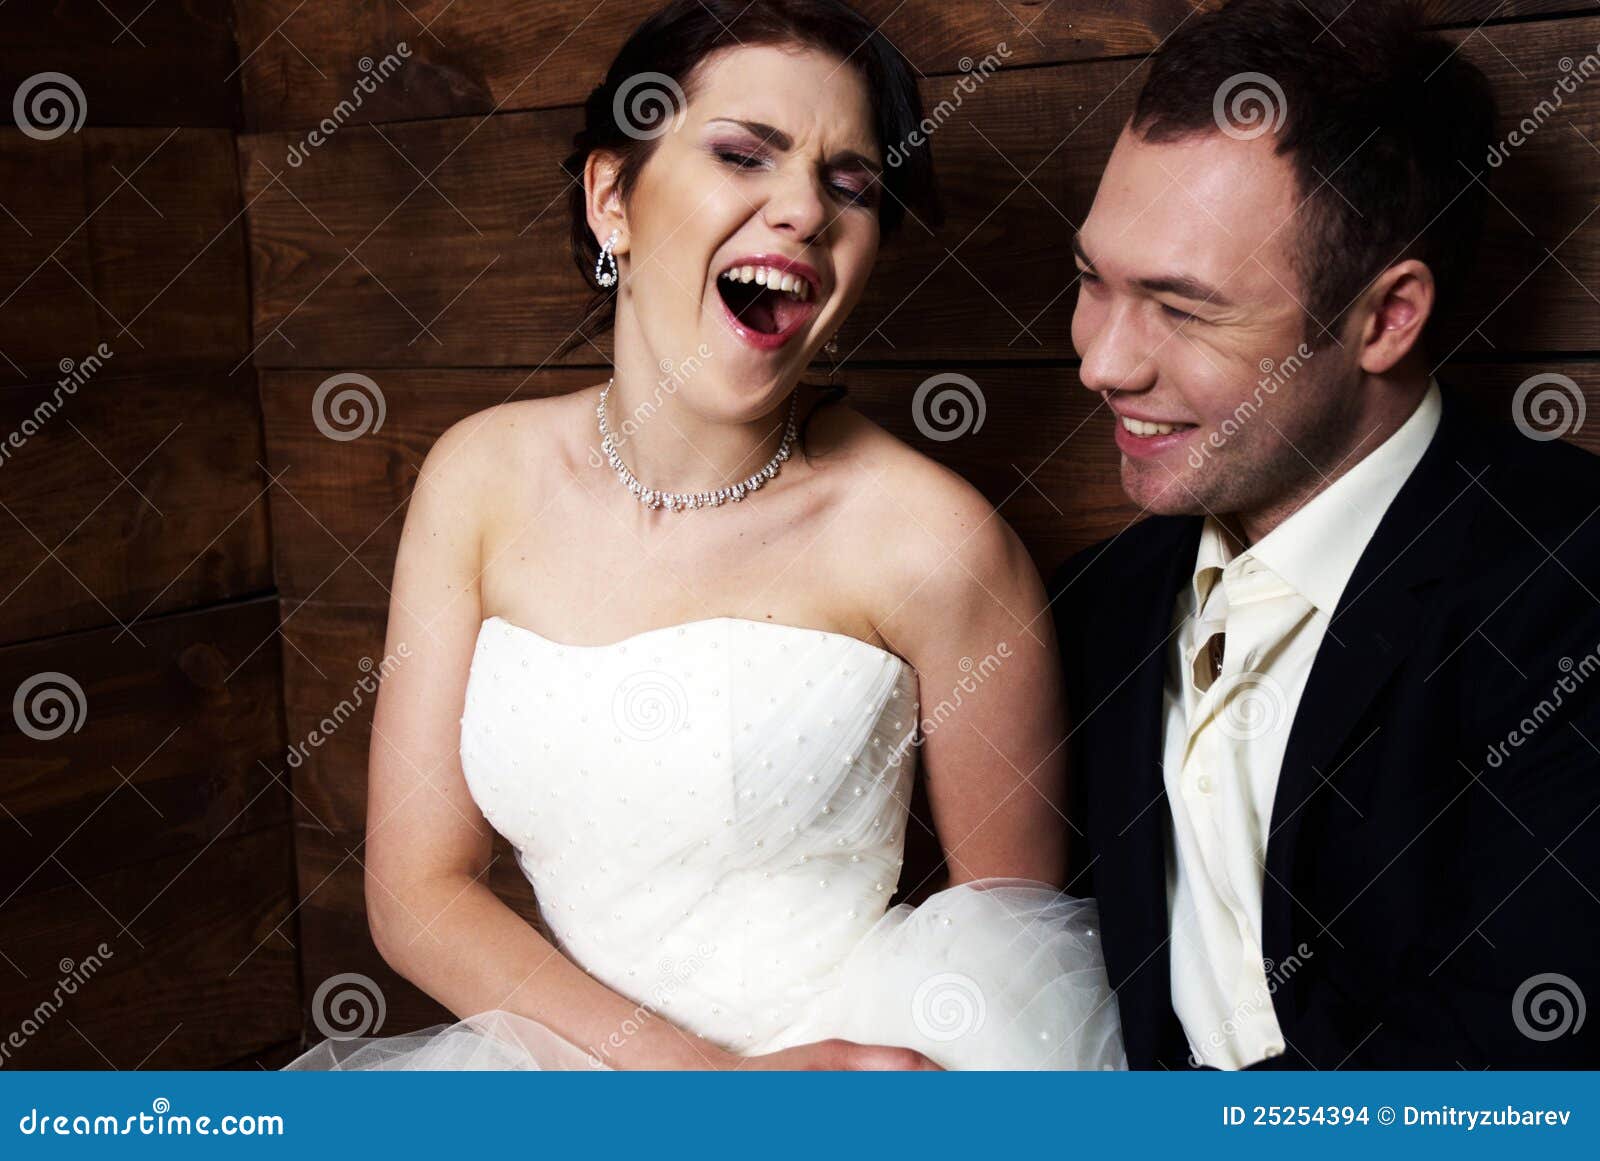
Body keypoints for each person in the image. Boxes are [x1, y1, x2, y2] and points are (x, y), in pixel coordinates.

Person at [287, 0, 1123, 1071]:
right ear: (612, 198)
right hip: (584, 1073)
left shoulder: (935, 542)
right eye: (742, 154)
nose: (802, 213)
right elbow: (417, 893)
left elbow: (1014, 946)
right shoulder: (476, 479)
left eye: (849, 184)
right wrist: (706, 1090)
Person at [1050, 0, 1599, 1069]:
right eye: (1090, 281)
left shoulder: (1569, 584)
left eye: (1182, 308)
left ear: (1385, 317)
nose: (1102, 364)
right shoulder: (1085, 612)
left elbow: (1532, 1078)